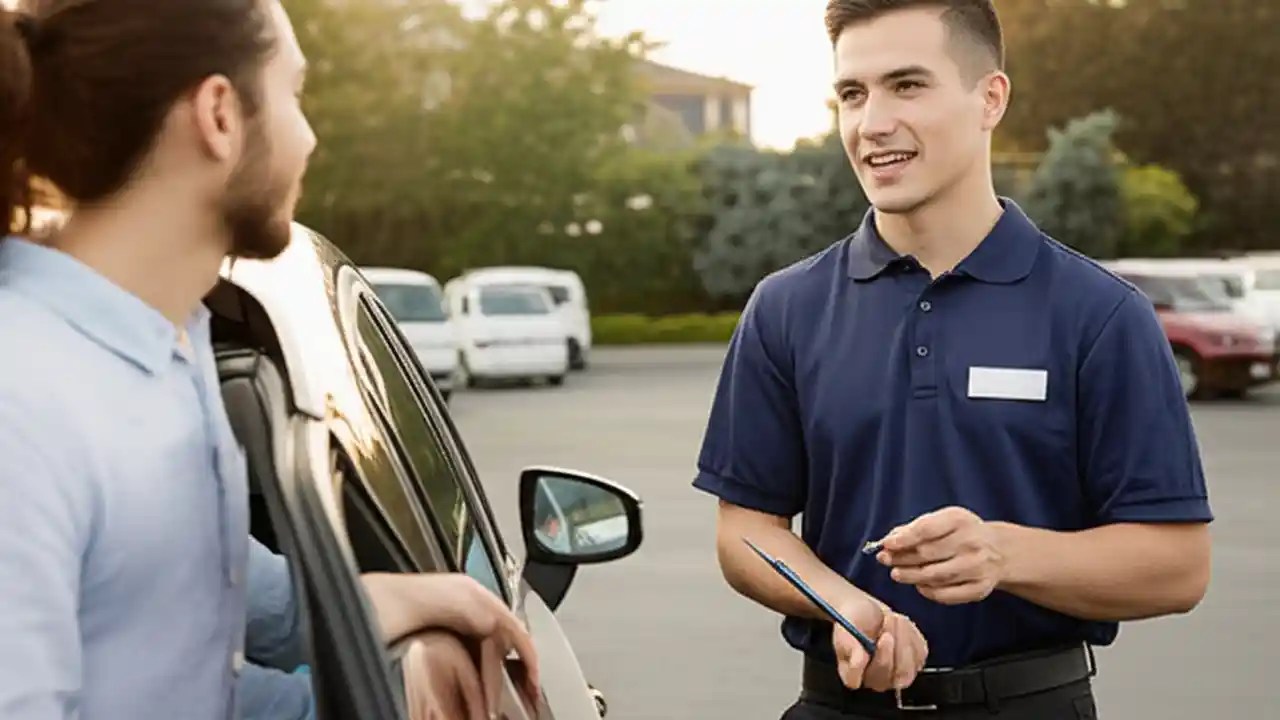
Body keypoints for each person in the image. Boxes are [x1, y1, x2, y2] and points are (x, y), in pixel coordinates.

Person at [0, 2, 537, 719]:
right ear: (220, 114)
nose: (310, 139)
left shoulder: (169, 353)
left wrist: (421, 638)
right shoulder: (24, 400)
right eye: (295, 94)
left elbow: (191, 674)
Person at [691, 1, 1213, 717]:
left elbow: (1178, 568)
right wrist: (845, 605)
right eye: (853, 93)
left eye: (907, 86)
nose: (872, 123)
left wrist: (1003, 555)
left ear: (989, 99)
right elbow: (745, 531)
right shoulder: (785, 308)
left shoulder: (1101, 315)